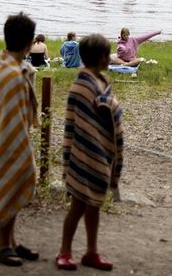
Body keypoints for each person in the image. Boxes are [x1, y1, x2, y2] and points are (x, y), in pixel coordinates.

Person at [56, 33, 123, 271]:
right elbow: (75, 124)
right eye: (108, 54)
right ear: (103, 58)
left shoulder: (100, 82)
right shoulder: (81, 87)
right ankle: (64, 251)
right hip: (82, 155)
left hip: (100, 155)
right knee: (78, 206)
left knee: (94, 205)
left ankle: (91, 251)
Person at [0, 13, 40, 267]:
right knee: (11, 182)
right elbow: (12, 112)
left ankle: (12, 241)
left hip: (15, 133)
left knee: (15, 183)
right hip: (9, 136)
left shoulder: (6, 65)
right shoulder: (12, 74)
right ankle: (2, 245)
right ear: (28, 44)